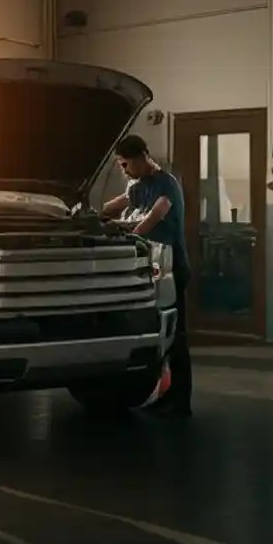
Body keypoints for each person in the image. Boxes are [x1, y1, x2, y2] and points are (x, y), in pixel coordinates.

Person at [103, 134, 191, 417]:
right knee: (156, 337)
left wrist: (128, 234)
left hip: (172, 269)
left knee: (176, 336)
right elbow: (112, 207)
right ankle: (164, 394)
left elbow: (153, 217)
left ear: (141, 157)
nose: (123, 170)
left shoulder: (167, 185)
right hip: (149, 269)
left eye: (125, 163)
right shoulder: (136, 186)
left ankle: (181, 401)